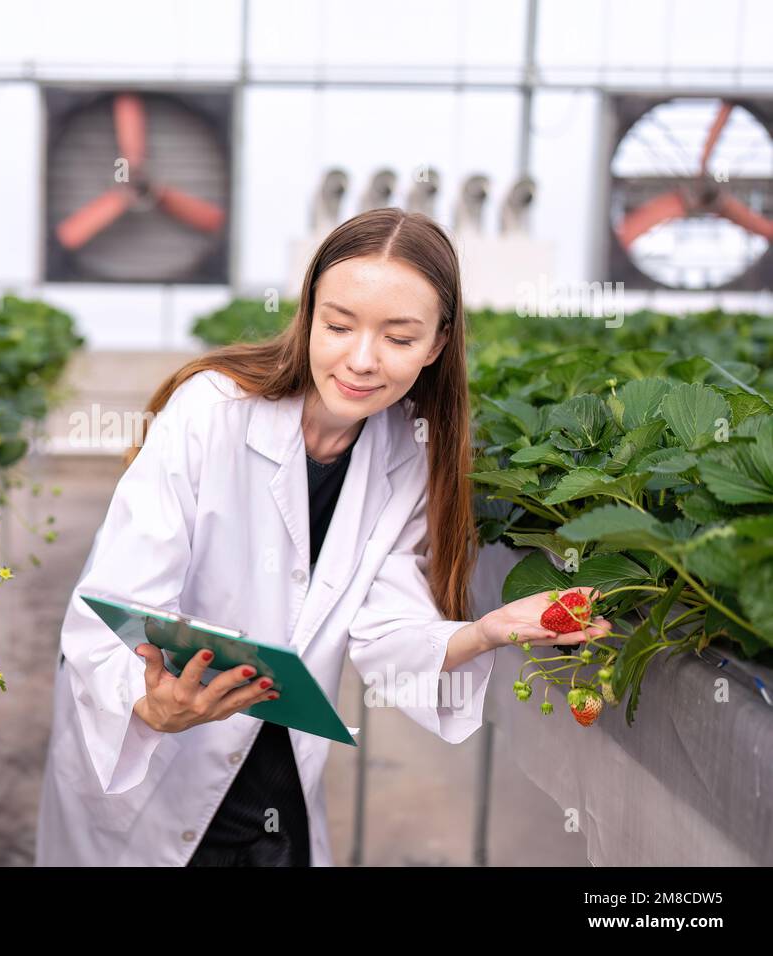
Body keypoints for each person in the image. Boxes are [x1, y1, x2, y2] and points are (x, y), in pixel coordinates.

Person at [34, 208, 611, 867]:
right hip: (153, 769)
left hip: (276, 776)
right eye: (338, 325)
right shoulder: (210, 412)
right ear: (308, 313)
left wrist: (487, 630)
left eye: (399, 337)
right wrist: (148, 703)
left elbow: (385, 627)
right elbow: (110, 606)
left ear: (438, 344)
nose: (361, 361)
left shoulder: (408, 451)